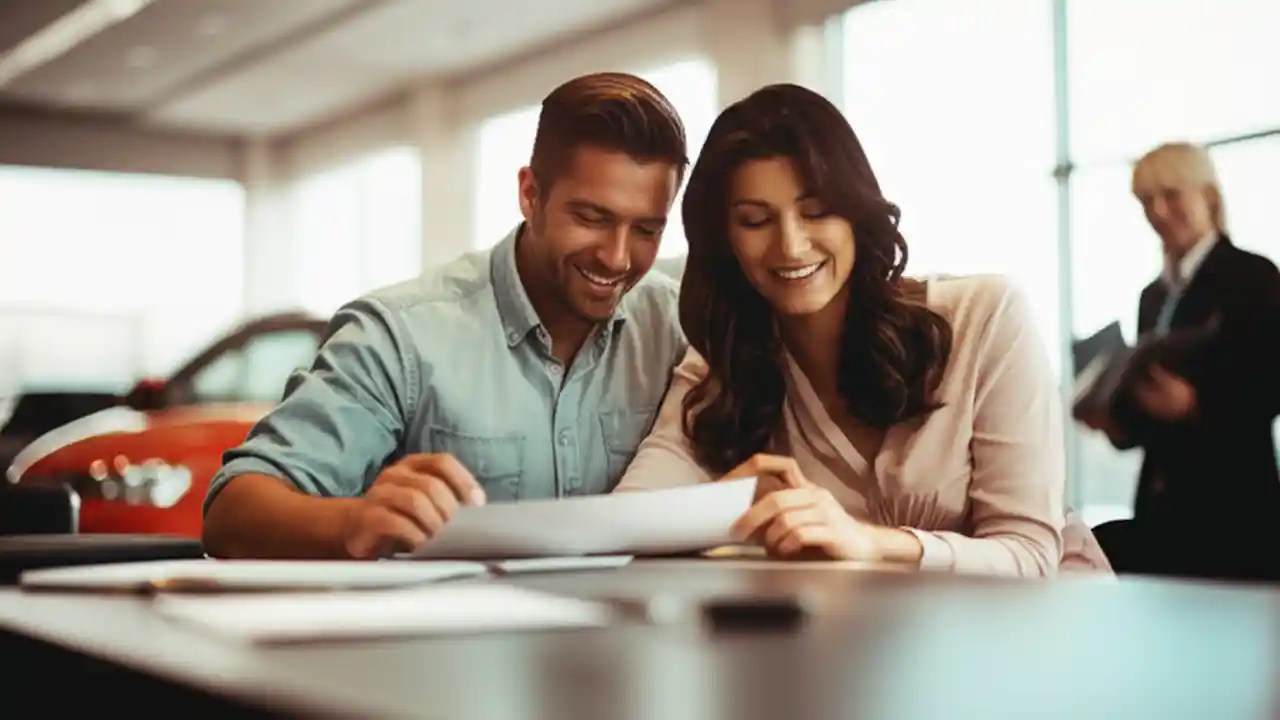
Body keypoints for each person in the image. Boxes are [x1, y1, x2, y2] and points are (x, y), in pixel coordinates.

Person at [614, 83, 1111, 577]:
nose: (790, 246)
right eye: (755, 220)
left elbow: (1028, 556)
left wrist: (869, 543)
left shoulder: (987, 317)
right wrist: (724, 504)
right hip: (871, 642)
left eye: (816, 212)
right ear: (724, 239)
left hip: (1046, 629)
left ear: (856, 213)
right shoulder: (721, 359)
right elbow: (628, 521)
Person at [202, 72, 690, 559]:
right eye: (591, 219)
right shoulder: (402, 335)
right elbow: (232, 513)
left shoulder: (677, 328)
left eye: (646, 229)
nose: (619, 258)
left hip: (624, 632)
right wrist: (352, 521)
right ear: (530, 194)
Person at [1085, 142, 1280, 581]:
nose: (1157, 211)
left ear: (1207, 196)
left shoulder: (1252, 276)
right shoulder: (1151, 297)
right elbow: (1147, 414)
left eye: (1171, 195)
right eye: (1145, 201)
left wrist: (1196, 407)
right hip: (1163, 509)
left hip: (1237, 512)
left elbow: (1270, 386)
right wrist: (1117, 421)